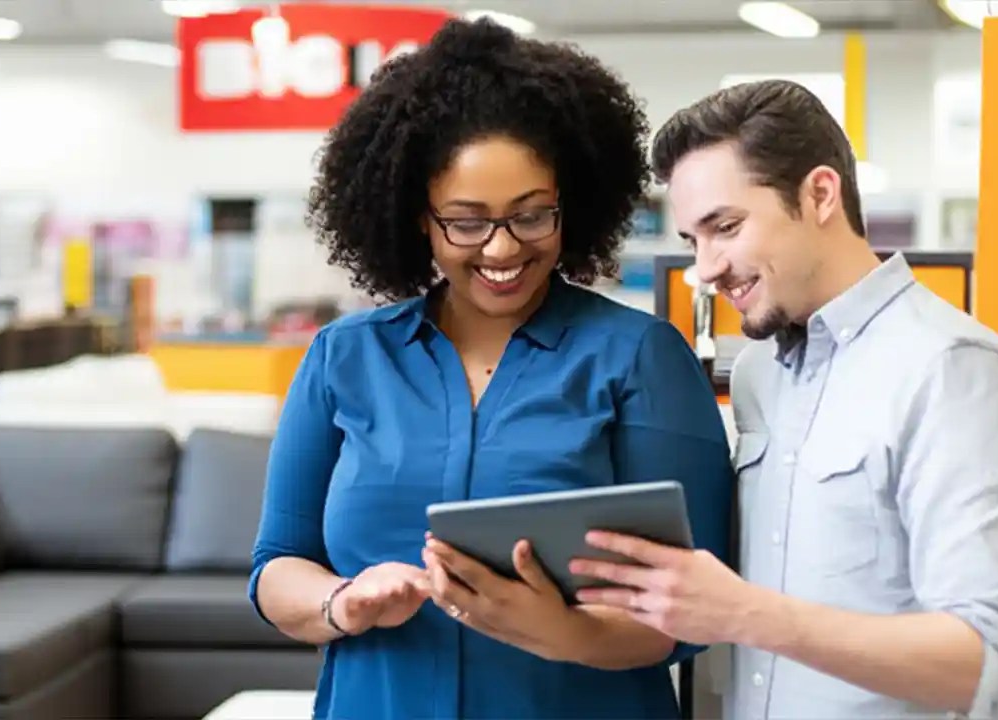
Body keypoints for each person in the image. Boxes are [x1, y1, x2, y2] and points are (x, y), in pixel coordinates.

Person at [248, 17, 734, 720]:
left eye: (532, 216)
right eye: (467, 222)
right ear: (419, 217)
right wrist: (341, 603)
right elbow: (277, 567)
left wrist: (564, 631)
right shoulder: (344, 358)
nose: (503, 249)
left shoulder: (640, 359)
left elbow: (700, 602)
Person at [570, 78, 998, 720]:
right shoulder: (760, 373)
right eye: (693, 240)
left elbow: (995, 665)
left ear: (820, 194)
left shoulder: (955, 372)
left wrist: (746, 614)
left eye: (727, 227)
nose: (706, 269)